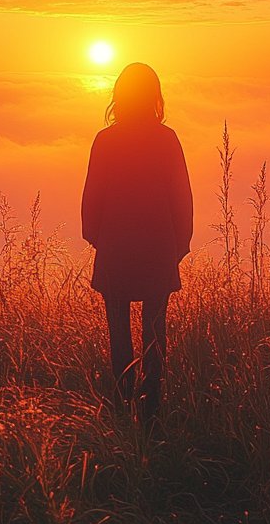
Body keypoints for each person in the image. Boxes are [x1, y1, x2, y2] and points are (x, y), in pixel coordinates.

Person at [80, 62, 194, 427]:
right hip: (159, 249)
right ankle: (152, 409)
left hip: (115, 249)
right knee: (155, 332)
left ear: (120, 97)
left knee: (118, 331)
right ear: (154, 97)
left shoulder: (106, 140)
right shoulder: (167, 139)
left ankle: (122, 404)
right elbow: (183, 198)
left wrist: (101, 239)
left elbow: (91, 200)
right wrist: (177, 246)